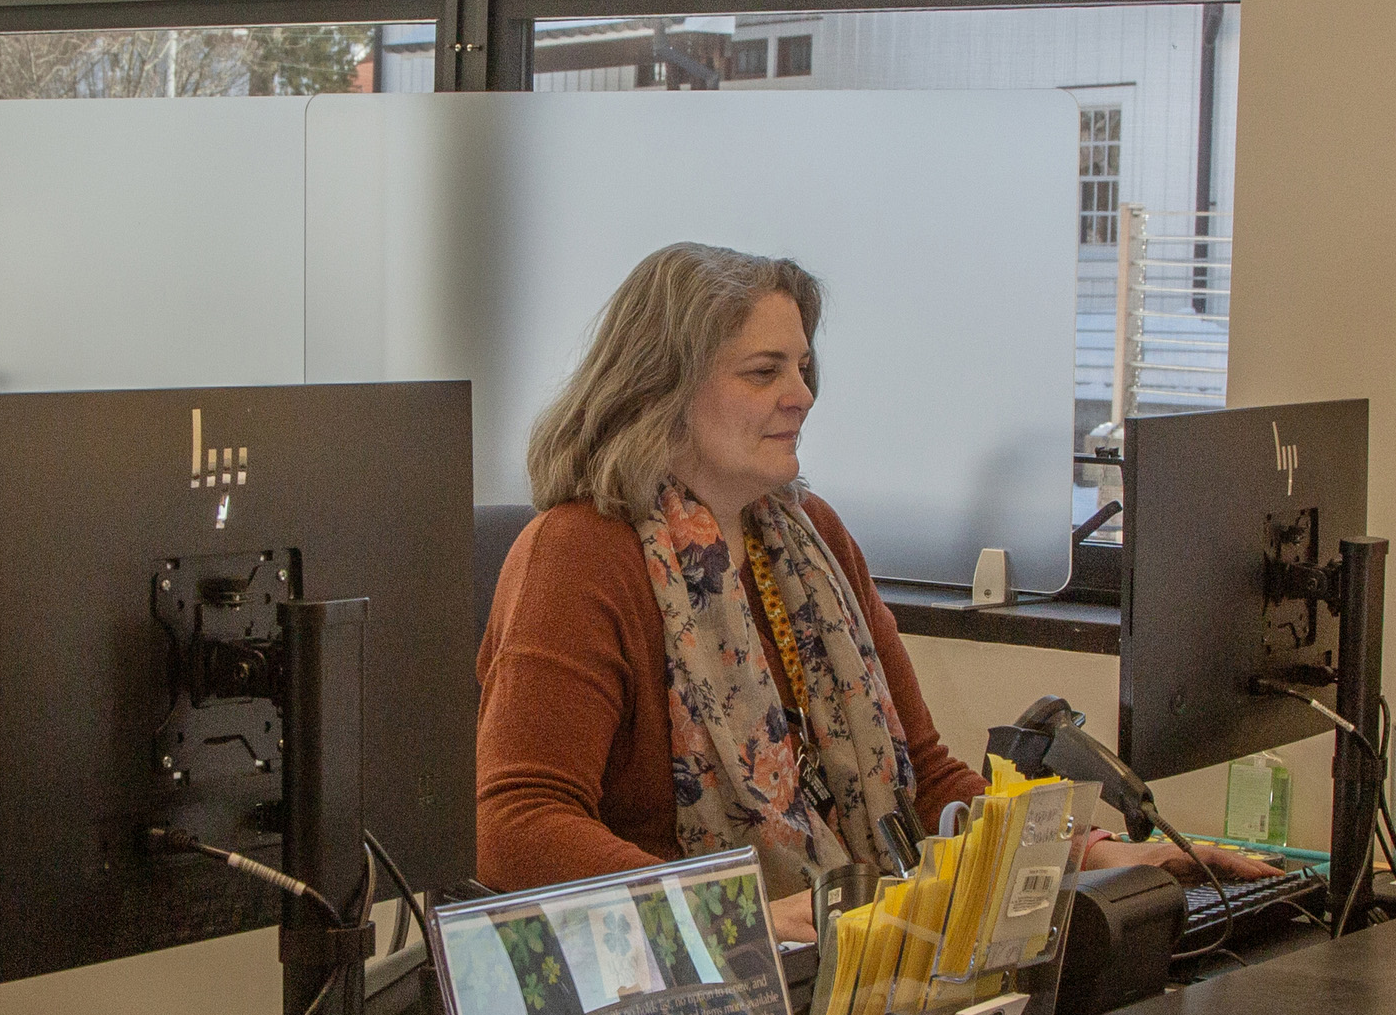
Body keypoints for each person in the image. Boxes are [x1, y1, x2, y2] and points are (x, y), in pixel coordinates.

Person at [476, 241, 1268, 939]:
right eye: (765, 372)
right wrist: (734, 911)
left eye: (803, 369)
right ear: (663, 389)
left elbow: (924, 785)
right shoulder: (580, 553)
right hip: (677, 985)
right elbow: (515, 827)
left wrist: (1097, 855)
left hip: (846, 952)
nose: (803, 395)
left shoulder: (807, 535)